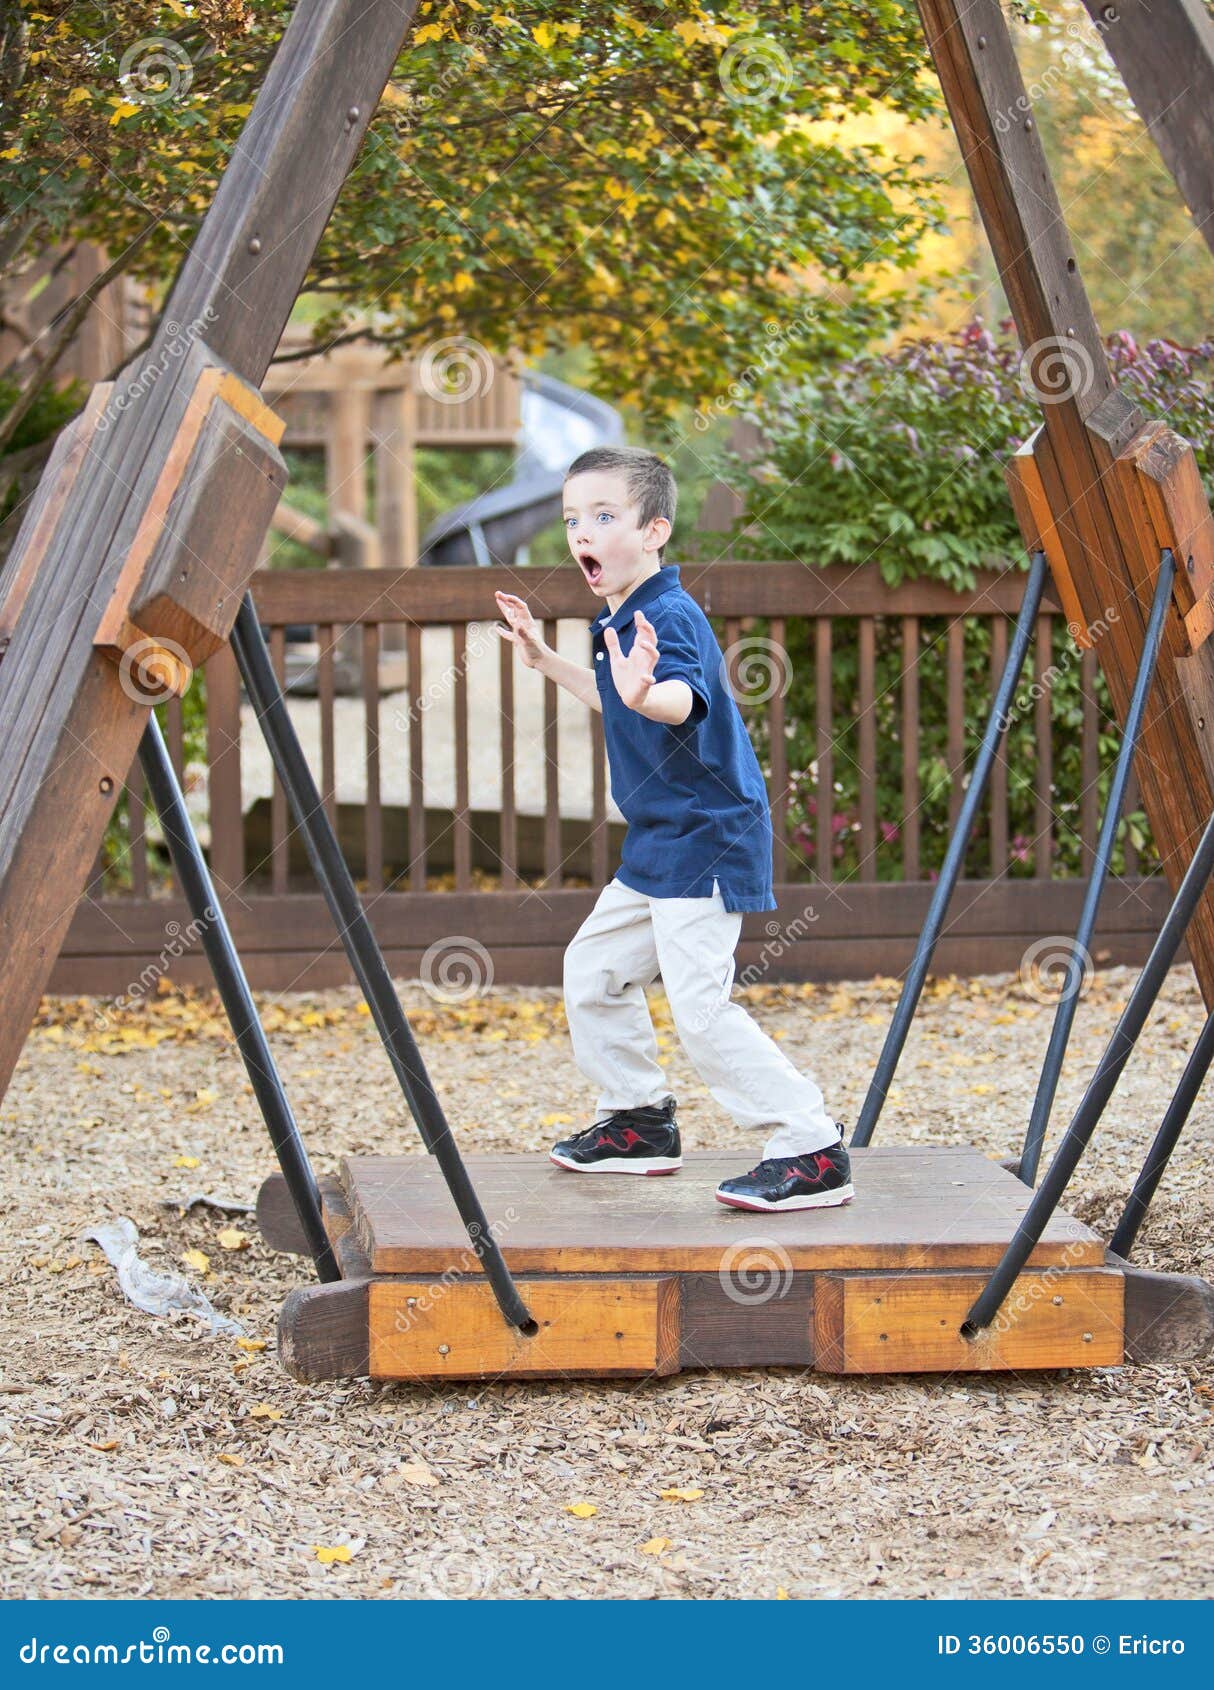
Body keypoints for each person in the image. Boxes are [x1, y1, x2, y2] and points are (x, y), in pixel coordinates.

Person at [493, 445, 853, 1214]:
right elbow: (615, 695)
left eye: (602, 516)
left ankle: (810, 1145)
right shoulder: (619, 616)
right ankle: (638, 1123)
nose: (580, 532)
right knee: (593, 969)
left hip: (708, 836)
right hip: (661, 840)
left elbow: (681, 703)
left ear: (654, 531)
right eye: (571, 519)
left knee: (701, 1007)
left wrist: (647, 690)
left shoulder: (666, 613)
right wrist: (544, 659)